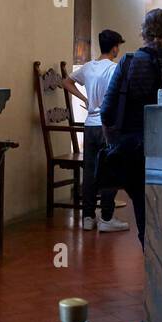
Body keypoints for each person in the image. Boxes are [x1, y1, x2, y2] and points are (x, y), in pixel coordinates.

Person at [101, 9, 162, 245]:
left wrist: (112, 142)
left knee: (143, 211)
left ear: (144, 30)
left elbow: (106, 110)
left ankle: (150, 263)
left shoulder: (130, 61)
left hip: (133, 146)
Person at [63, 30, 129, 233]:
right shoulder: (114, 69)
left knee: (90, 172)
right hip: (107, 127)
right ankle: (107, 217)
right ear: (115, 47)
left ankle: (88, 217)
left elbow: (66, 81)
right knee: (111, 171)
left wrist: (84, 100)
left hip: (89, 126)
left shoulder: (89, 67)